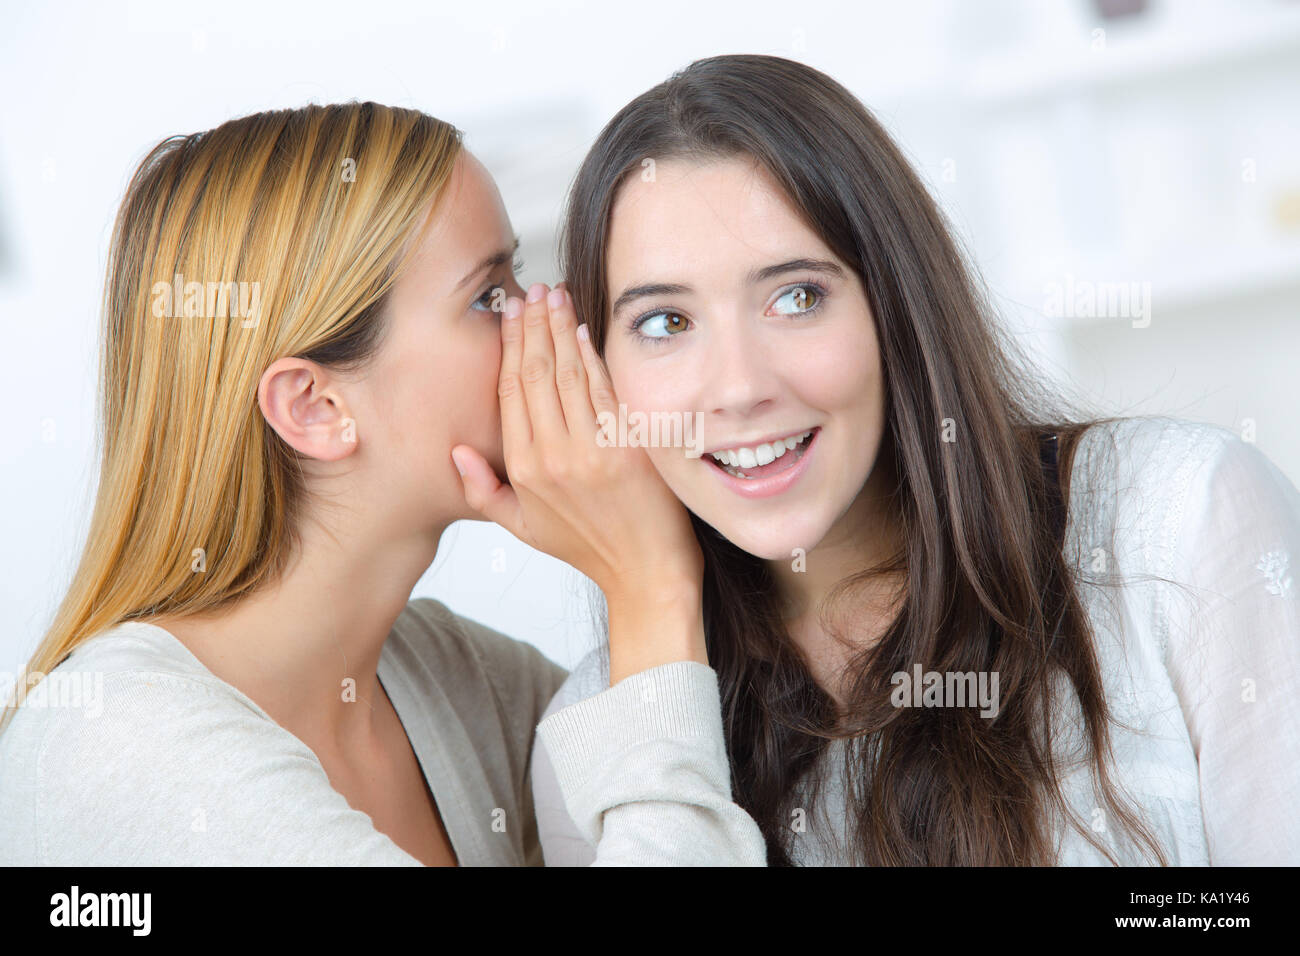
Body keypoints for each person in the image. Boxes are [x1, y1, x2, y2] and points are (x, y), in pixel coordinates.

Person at [528, 54, 1300, 865]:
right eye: (664, 322)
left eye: (797, 297)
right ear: (595, 372)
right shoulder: (601, 735)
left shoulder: (1181, 520)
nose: (740, 387)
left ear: (896, 300)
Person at [0, 102, 765, 866]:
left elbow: (693, 759)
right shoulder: (122, 747)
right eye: (489, 297)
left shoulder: (454, 678)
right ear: (317, 408)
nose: (556, 327)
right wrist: (652, 586)